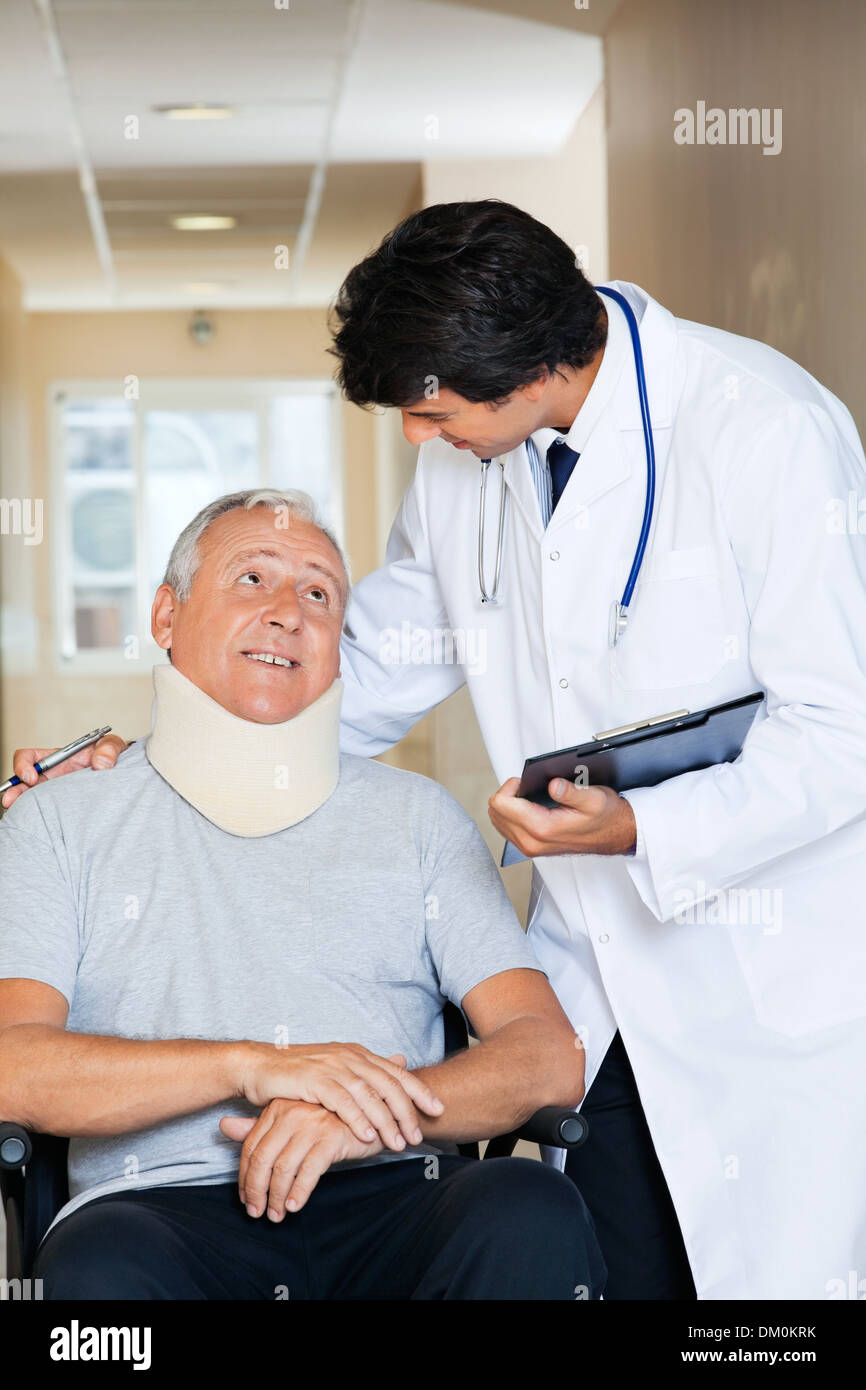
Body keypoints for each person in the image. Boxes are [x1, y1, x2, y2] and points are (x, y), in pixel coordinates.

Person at [8, 199, 866, 1300]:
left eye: (428, 410)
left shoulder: (762, 427)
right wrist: (149, 753)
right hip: (596, 984)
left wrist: (645, 825)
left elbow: (843, 731)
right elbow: (361, 666)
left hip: (753, 963)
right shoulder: (470, 452)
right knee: (621, 1263)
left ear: (522, 372)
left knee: (763, 1302)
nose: (418, 440)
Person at [0, 488, 607, 1301]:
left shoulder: (419, 817)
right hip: (154, 1208)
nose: (289, 612)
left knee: (529, 1207)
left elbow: (548, 1056)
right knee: (97, 1276)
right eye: (252, 578)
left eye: (320, 593)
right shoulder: (59, 819)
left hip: (395, 1188)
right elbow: (12, 1065)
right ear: (166, 617)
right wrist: (258, 1067)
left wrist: (360, 1117)